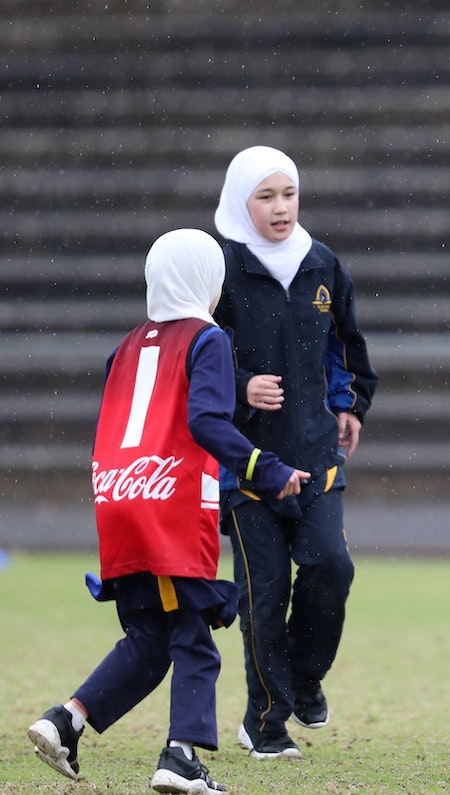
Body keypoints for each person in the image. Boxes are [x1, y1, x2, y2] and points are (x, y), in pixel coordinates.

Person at [27, 229, 308, 794]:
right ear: (203, 282)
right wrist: (269, 470)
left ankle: (66, 721)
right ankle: (180, 758)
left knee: (151, 638)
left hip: (120, 497)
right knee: (194, 640)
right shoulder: (207, 338)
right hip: (172, 505)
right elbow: (205, 422)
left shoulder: (128, 343)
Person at [213, 145, 378, 759]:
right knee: (265, 592)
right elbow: (193, 356)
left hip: (316, 455)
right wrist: (240, 388)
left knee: (331, 566)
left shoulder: (322, 264)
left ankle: (305, 678)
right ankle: (266, 722)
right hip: (247, 464)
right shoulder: (219, 267)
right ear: (240, 201)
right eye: (266, 196)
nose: (281, 208)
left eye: (289, 194)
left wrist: (348, 404)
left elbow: (346, 346)